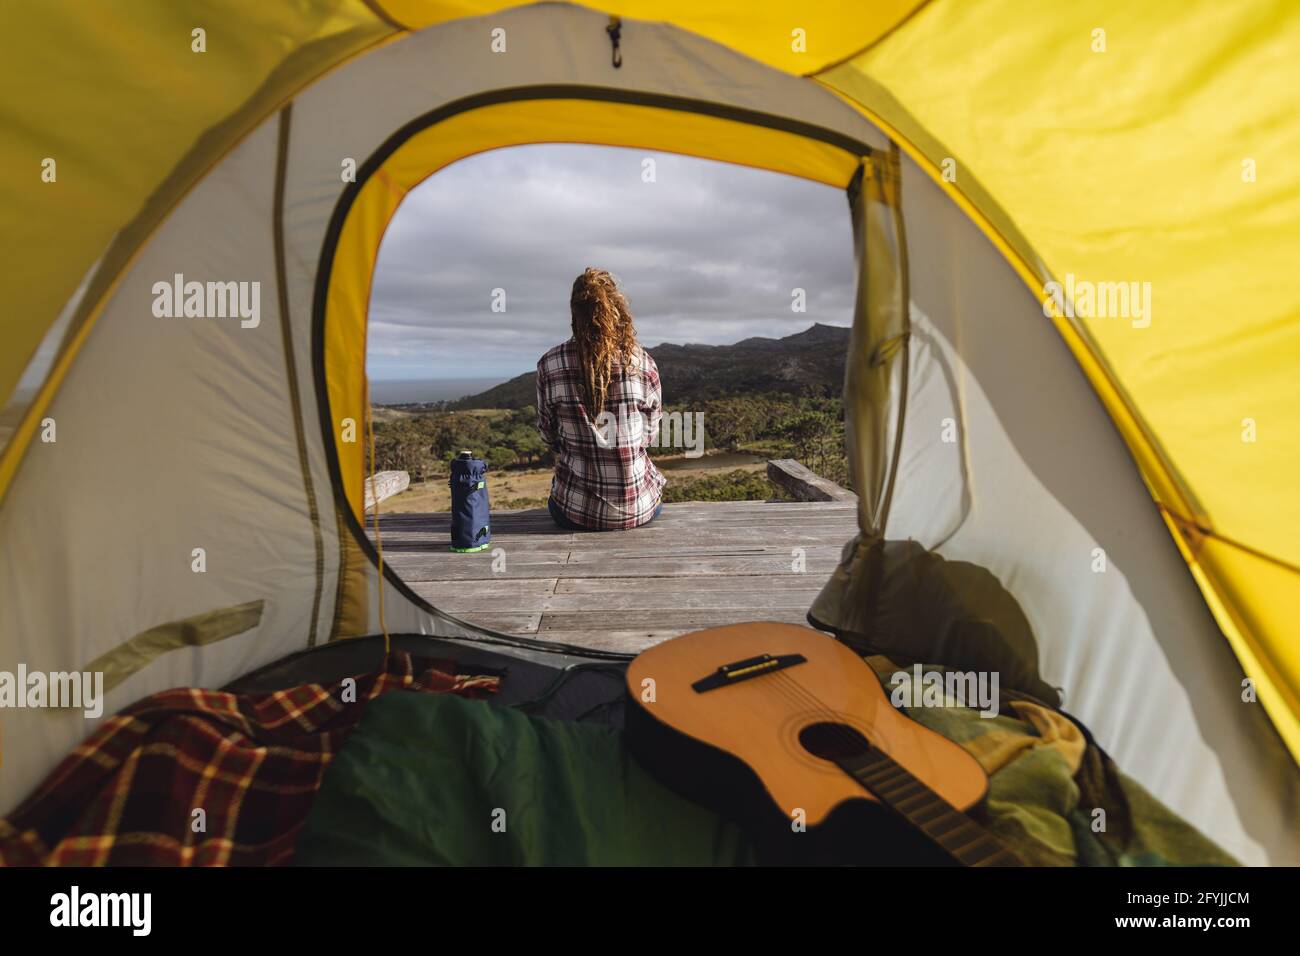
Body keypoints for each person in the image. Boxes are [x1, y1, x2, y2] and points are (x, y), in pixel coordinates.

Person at [536, 268, 666, 531]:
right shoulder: (642, 362)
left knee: (557, 499)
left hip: (573, 512)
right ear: (616, 308)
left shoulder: (550, 364)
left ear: (574, 312)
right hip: (637, 510)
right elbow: (649, 434)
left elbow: (548, 434)